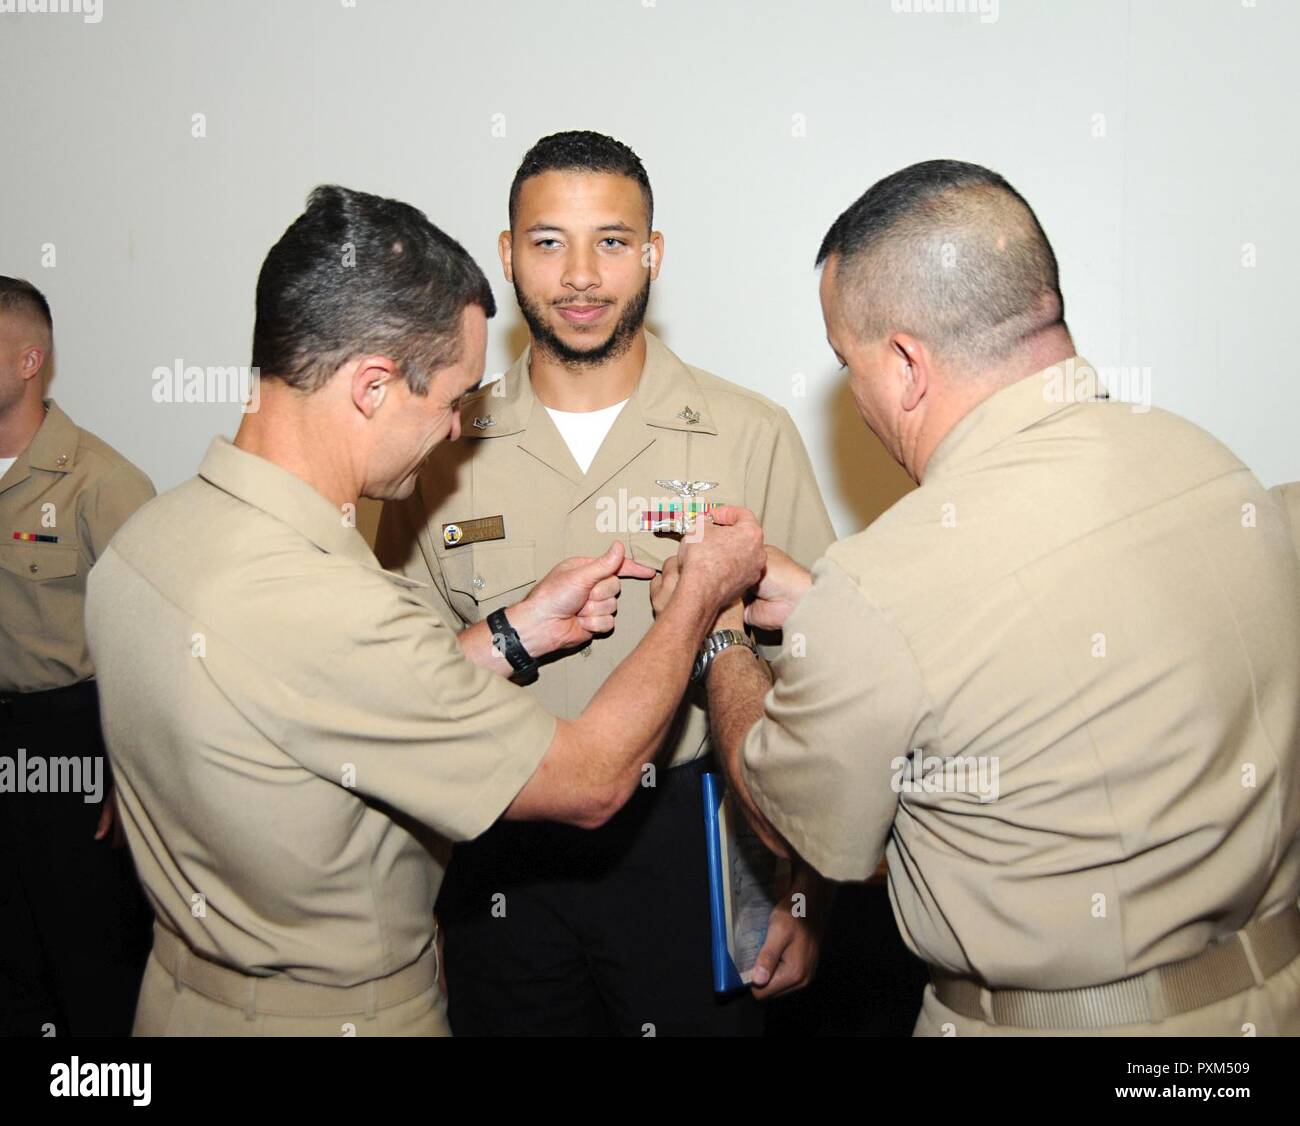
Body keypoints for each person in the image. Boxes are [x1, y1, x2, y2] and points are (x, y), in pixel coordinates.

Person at [84, 184, 765, 1036]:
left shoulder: (147, 542)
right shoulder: (331, 602)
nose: (453, 432)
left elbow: (330, 693)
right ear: (372, 387)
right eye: (449, 400)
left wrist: (511, 633)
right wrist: (699, 600)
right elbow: (591, 781)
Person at [693, 159, 1300, 1036]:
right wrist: (838, 616)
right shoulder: (1217, 468)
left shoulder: (889, 582)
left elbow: (790, 822)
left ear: (905, 364)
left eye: (847, 363)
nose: (854, 397)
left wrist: (720, 635)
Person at [378, 131, 836, 1036]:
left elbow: (821, 680)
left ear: (653, 254)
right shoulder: (436, 442)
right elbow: (399, 687)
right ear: (508, 255)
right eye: (549, 242)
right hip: (499, 848)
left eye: (613, 242)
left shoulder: (749, 433)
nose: (581, 276)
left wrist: (804, 891)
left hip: (693, 842)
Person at [0, 276, 155, 1036]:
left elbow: (153, 643)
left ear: (30, 361)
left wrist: (135, 778)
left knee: (92, 969)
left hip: (74, 746)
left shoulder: (103, 481)